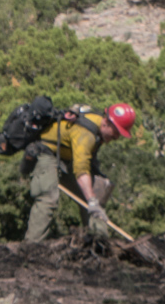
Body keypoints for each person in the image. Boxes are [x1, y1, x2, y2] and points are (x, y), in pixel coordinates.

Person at [26, 103, 135, 241]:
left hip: (66, 160)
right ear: (107, 122)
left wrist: (92, 199)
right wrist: (92, 201)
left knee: (92, 196)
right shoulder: (86, 134)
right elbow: (81, 169)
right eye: (117, 132)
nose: (117, 137)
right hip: (46, 154)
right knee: (49, 197)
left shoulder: (98, 128)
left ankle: (100, 243)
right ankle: (31, 247)